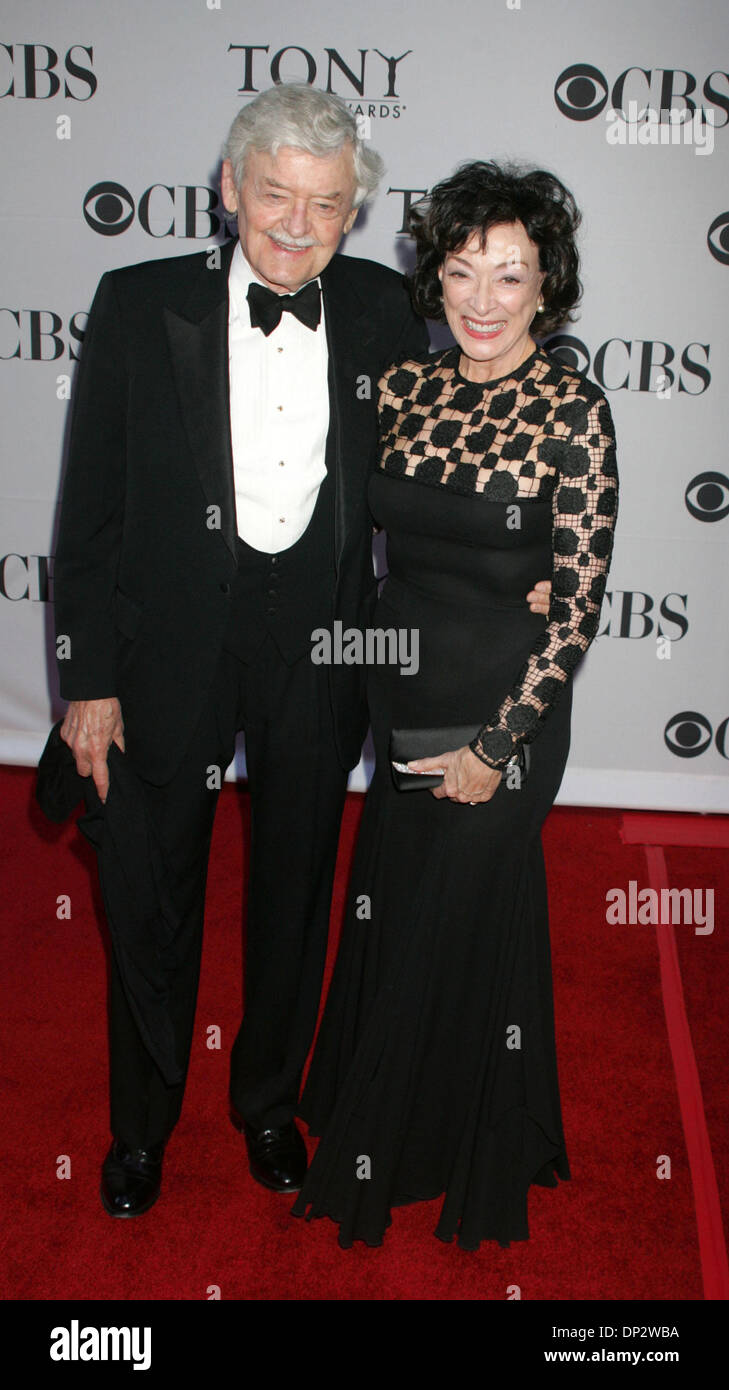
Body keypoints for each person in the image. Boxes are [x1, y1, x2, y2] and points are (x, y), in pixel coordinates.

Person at [53, 88, 551, 1219]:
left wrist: (526, 556)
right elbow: (88, 512)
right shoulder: (138, 302)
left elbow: (464, 435)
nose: (295, 222)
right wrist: (87, 681)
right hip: (170, 648)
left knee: (295, 890)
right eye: (275, 194)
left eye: (324, 204)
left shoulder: (382, 310)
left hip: (323, 645)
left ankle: (267, 1101)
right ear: (230, 188)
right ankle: (142, 1127)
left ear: (352, 214)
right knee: (151, 893)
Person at [292, 160, 619, 1251]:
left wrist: (494, 747)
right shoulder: (403, 388)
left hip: (503, 707)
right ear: (434, 275)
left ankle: (406, 1153)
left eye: (510, 275)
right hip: (405, 690)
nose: (483, 299)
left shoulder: (573, 410)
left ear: (546, 288)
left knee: (449, 914)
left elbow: (574, 611)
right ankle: (470, 1122)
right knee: (411, 909)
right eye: (464, 270)